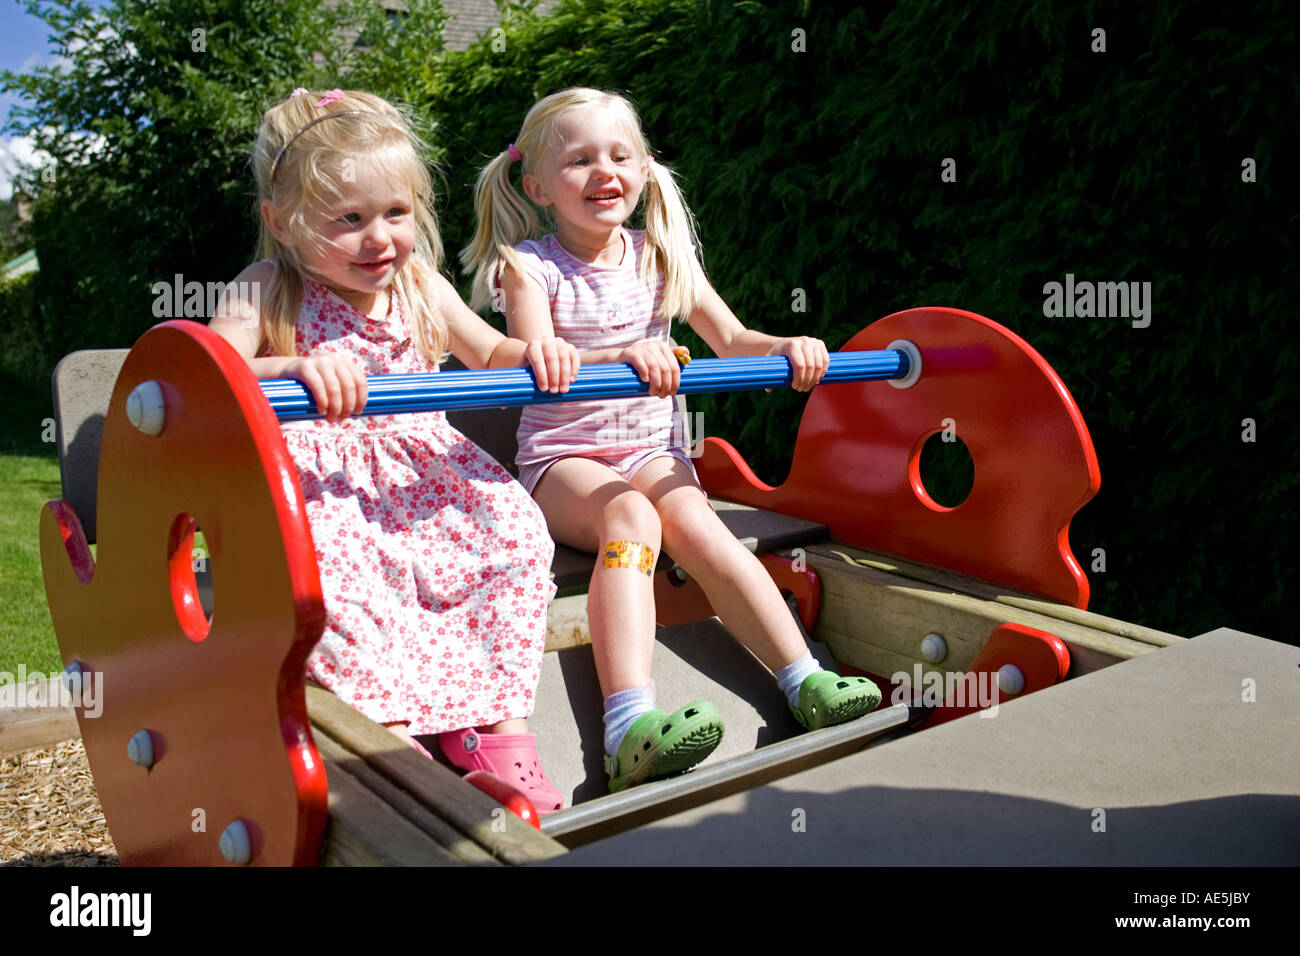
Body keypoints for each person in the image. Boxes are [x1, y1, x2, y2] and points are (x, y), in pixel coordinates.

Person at [462, 88, 881, 793]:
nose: (605, 172)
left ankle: (807, 681)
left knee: (701, 527)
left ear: (646, 168)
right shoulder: (527, 266)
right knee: (632, 521)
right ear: (536, 186)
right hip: (566, 462)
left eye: (620, 156)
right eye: (580, 160)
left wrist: (787, 345)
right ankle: (628, 727)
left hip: (654, 452)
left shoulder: (658, 257)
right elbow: (536, 360)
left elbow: (734, 337)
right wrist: (622, 358)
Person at [210, 88, 581, 813]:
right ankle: (389, 734)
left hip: (425, 473)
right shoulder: (270, 288)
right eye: (348, 220)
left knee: (512, 537)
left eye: (396, 213)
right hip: (324, 484)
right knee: (344, 571)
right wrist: (289, 367)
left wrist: (539, 351)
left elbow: (491, 351)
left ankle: (496, 733)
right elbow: (214, 369)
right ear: (281, 222)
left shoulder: (418, 284)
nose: (378, 238)